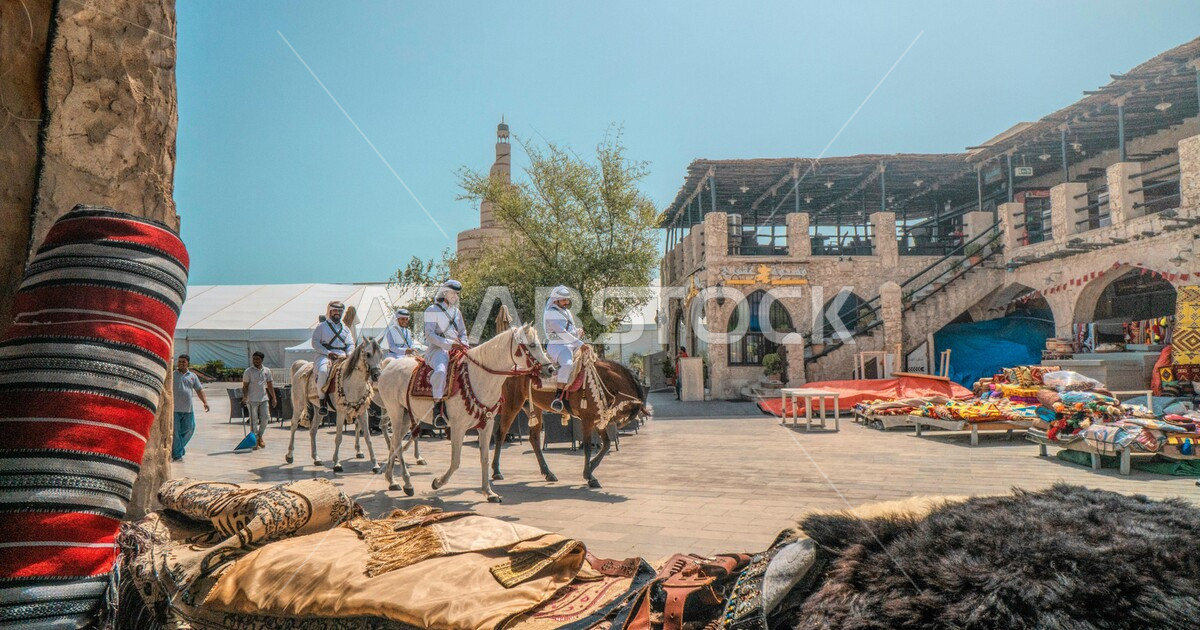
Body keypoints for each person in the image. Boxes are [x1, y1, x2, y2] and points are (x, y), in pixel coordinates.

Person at [424, 280, 469, 425]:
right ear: (445, 292)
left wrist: (464, 344)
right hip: (437, 350)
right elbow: (429, 335)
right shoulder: (432, 310)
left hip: (458, 348)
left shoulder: (457, 312)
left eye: (457, 294)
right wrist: (450, 344)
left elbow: (462, 332)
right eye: (453, 293)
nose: (456, 296)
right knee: (441, 371)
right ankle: (438, 408)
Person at [543, 285, 583, 413]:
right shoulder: (550, 313)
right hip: (558, 345)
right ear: (556, 301)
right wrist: (580, 343)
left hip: (571, 343)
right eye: (564, 300)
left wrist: (578, 332)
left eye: (567, 300)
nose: (567, 302)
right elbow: (562, 333)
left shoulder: (566, 311)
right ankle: (558, 398)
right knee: (567, 365)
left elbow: (570, 331)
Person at [311, 301, 356, 416]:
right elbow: (315, 343)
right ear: (330, 311)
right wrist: (328, 352)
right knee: (323, 371)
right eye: (335, 311)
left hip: (342, 355)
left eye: (340, 311)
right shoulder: (321, 327)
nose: (337, 313)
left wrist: (349, 354)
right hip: (325, 355)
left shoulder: (346, 329)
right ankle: (322, 402)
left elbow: (350, 343)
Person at [172, 354, 208, 461]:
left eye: (183, 362)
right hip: (175, 410)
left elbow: (199, 390)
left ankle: (178, 448)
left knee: (190, 429)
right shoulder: (172, 375)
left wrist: (205, 402)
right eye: (179, 361)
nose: (181, 363)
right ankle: (177, 455)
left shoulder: (192, 376)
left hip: (188, 409)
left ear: (188, 363)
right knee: (176, 433)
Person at [241, 351, 276, 449]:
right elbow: (245, 386)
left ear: (262, 360)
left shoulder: (267, 371)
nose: (255, 361)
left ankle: (260, 436)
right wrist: (245, 397)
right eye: (254, 359)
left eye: (257, 359)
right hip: (252, 400)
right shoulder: (248, 371)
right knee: (253, 421)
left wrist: (274, 398)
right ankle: (255, 440)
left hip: (264, 398)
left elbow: (269, 385)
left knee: (265, 418)